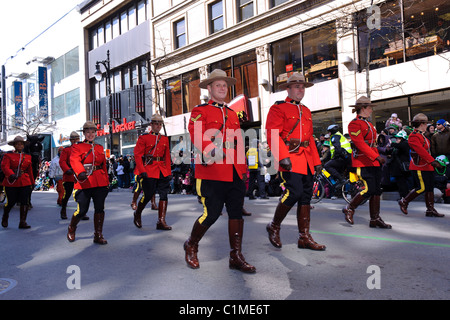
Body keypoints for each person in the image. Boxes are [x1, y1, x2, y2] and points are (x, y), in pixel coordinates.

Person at [184, 69, 255, 273]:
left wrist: (243, 171)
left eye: (224, 85)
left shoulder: (232, 114)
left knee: (236, 214)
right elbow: (196, 133)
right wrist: (213, 150)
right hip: (212, 170)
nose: (222, 88)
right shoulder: (200, 111)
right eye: (218, 85)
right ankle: (191, 244)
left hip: (233, 171)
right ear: (210, 88)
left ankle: (236, 256)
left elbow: (238, 143)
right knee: (212, 214)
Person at [265, 72, 326, 251]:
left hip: (306, 158)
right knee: (295, 192)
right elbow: (272, 134)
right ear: (289, 88)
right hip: (289, 157)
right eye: (297, 86)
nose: (301, 90)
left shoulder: (306, 111)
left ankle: (304, 237)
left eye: (303, 87)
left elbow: (309, 139)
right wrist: (282, 156)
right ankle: (274, 226)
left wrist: (316, 162)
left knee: (306, 196)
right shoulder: (278, 108)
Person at [342, 96, 392, 229]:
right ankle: (350, 208)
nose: (371, 110)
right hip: (362, 161)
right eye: (369, 107)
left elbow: (373, 145)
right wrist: (375, 157)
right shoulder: (354, 124)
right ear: (363, 108)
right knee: (369, 189)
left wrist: (378, 157)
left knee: (376, 191)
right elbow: (360, 144)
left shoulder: (369, 124)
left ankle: (375, 218)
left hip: (373, 162)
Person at [67, 121, 110, 244]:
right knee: (82, 210)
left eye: (93, 132)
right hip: (84, 181)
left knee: (100, 209)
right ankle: (72, 227)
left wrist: (106, 181)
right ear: (84, 133)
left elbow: (103, 166)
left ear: (95, 133)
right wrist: (80, 172)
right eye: (88, 132)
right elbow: (74, 160)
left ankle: (98, 234)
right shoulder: (77, 147)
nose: (90, 134)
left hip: (100, 182)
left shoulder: (99, 148)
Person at [398, 113, 445, 217]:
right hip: (419, 166)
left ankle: (430, 209)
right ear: (421, 124)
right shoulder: (414, 136)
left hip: (426, 166)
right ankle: (404, 202)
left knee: (429, 188)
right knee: (422, 187)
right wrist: (433, 161)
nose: (427, 126)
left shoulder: (421, 135)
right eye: (425, 123)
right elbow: (421, 151)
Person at [133, 113, 172, 230]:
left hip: (162, 170)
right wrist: (142, 170)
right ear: (151, 124)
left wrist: (168, 172)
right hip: (149, 170)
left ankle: (161, 221)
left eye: (160, 124)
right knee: (148, 194)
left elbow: (167, 157)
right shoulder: (143, 138)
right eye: (156, 124)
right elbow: (138, 155)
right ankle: (138, 213)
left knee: (164, 195)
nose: (158, 126)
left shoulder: (164, 138)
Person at [1, 136, 34, 229]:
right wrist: (11, 174)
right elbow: (5, 167)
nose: (19, 145)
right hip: (11, 181)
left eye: (21, 144)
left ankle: (22, 222)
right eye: (17, 144)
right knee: (11, 202)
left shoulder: (27, 157)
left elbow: (30, 170)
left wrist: (32, 182)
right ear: (14, 145)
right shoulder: (8, 156)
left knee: (25, 202)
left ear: (23, 146)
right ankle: (5, 215)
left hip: (24, 181)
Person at [323, 124, 352, 193]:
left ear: (332, 131)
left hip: (342, 158)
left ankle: (342, 180)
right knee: (338, 172)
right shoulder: (339, 135)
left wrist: (334, 158)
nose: (328, 133)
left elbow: (338, 149)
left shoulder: (334, 137)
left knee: (327, 166)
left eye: (329, 132)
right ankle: (340, 188)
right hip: (347, 157)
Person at [59, 131, 81, 220]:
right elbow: (62, 161)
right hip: (69, 175)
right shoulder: (66, 150)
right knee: (67, 194)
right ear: (71, 140)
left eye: (76, 139)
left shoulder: (81, 150)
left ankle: (80, 211)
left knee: (81, 195)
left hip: (80, 175)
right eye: (73, 140)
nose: (75, 141)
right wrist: (67, 170)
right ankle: (63, 209)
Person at [389, 130, 412, 199]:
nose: (396, 139)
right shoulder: (398, 146)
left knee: (402, 183)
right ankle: (403, 196)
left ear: (402, 138)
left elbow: (400, 146)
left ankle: (404, 197)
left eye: (398, 138)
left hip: (401, 168)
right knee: (400, 183)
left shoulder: (405, 144)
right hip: (398, 168)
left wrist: (391, 144)